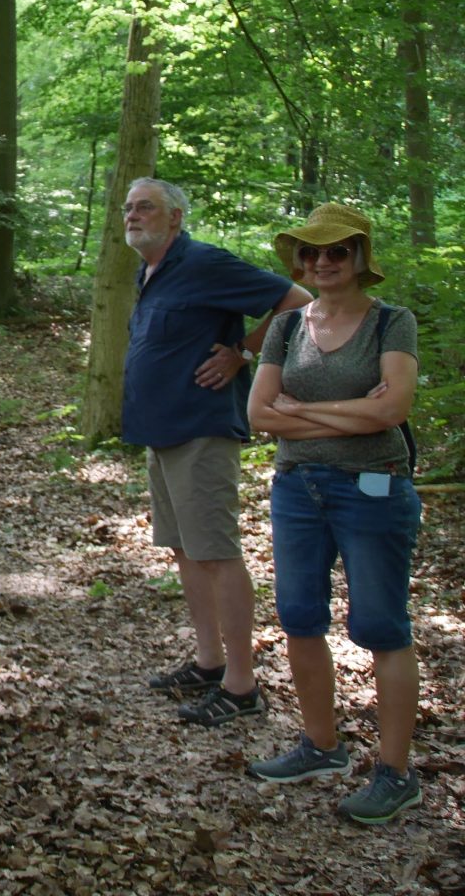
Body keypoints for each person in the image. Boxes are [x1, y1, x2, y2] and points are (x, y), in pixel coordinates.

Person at [245, 204, 423, 824]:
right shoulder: (287, 326)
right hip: (297, 488)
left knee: (382, 626)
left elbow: (392, 411)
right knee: (299, 618)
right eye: (311, 252)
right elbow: (258, 414)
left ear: (360, 257)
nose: (322, 262)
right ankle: (321, 746)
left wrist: (300, 412)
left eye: (337, 251)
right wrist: (351, 412)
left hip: (373, 487)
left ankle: (395, 773)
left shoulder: (391, 322)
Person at [122, 177, 311, 726]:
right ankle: (209, 663)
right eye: (128, 208)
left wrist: (242, 353)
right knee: (185, 550)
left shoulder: (204, 262)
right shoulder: (149, 272)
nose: (133, 215)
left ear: (175, 217)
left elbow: (297, 304)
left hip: (202, 430)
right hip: (162, 432)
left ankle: (242, 686)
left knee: (216, 552)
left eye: (146, 207)